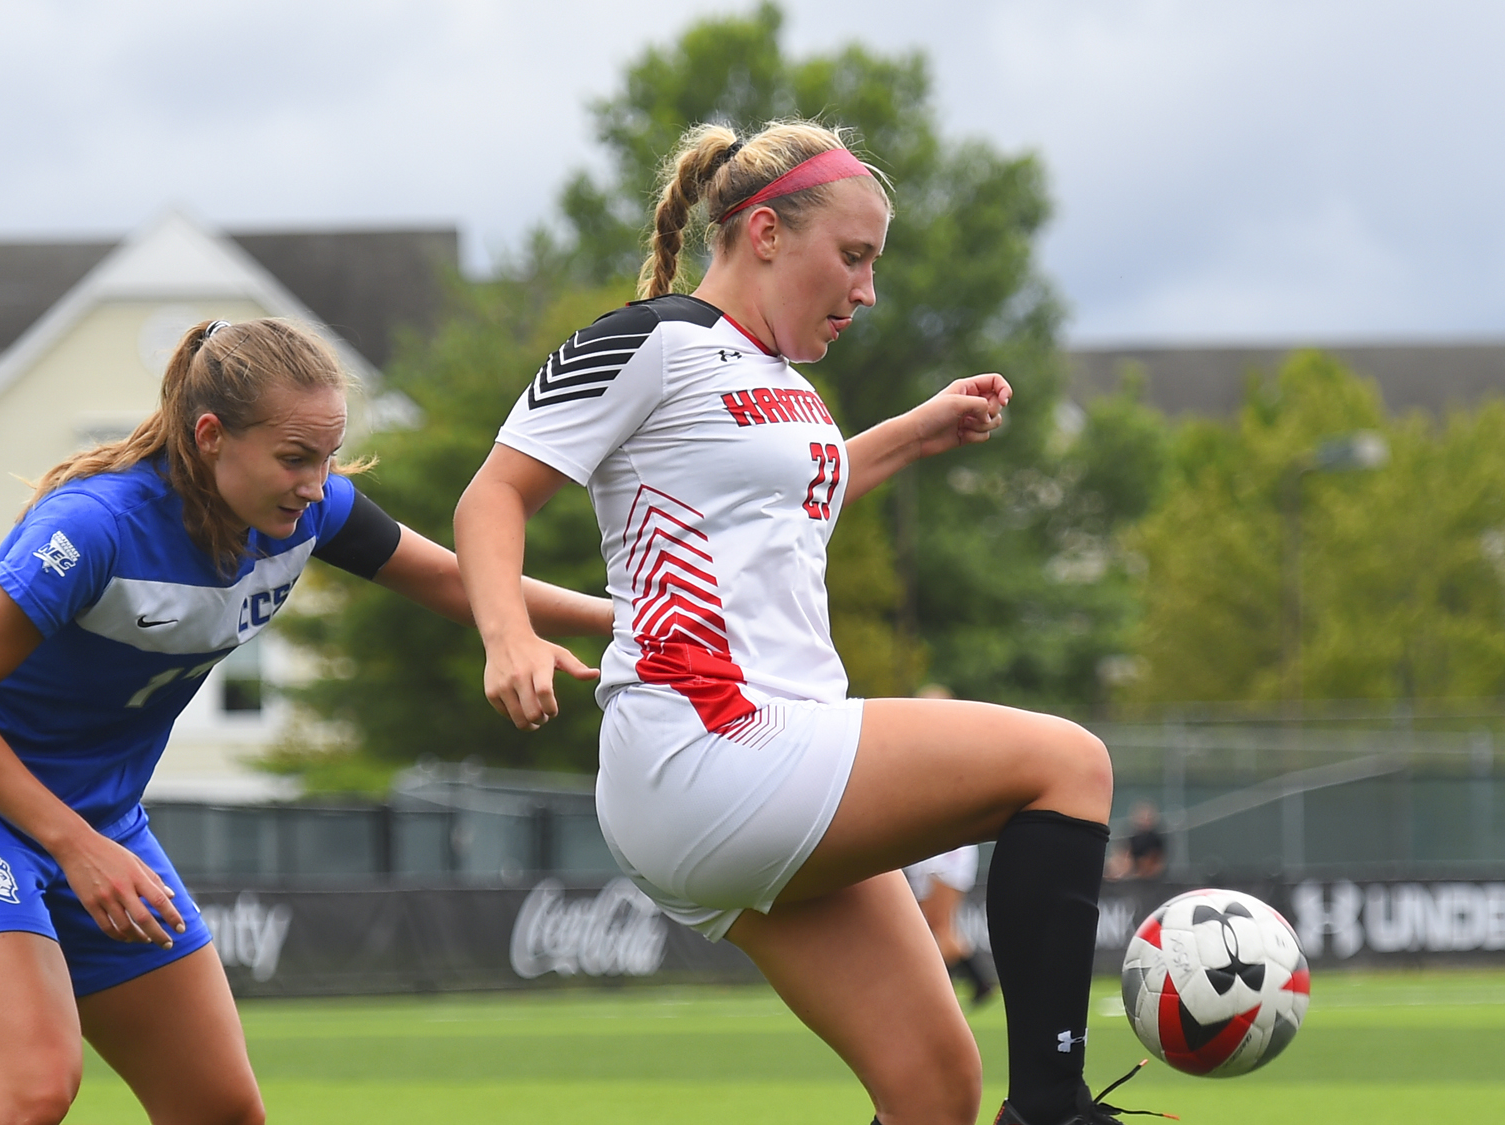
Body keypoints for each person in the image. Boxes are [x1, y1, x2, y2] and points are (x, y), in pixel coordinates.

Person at [455, 121, 1140, 1125]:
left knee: (930, 1090)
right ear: (765, 233)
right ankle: (1051, 1105)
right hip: (707, 745)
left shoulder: (780, 381)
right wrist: (506, 635)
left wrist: (913, 431)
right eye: (853, 257)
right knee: (1064, 763)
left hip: (767, 752)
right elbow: (490, 499)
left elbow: (788, 504)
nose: (866, 291)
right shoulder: (650, 339)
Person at [0, 318, 611, 1125]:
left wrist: (632, 619)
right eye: (296, 457)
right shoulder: (91, 530)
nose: (318, 484)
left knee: (218, 1109)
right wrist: (75, 845)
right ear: (211, 436)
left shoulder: (307, 515)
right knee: (32, 1091)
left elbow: (461, 582)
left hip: (102, 827)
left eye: (327, 458)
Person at [902, 845, 995, 1006]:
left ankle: (938, 995)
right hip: (929, 850)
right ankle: (977, 983)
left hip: (946, 851)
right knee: (936, 928)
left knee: (940, 928)